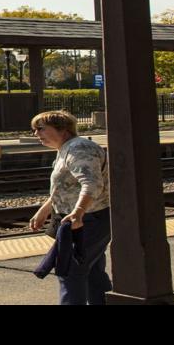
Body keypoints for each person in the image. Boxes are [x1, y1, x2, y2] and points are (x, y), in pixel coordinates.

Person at [26, 111, 111, 305]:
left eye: (40, 128)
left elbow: (91, 184)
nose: (36, 133)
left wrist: (78, 212)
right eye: (34, 129)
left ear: (62, 129)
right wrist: (45, 210)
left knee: (70, 271)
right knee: (92, 271)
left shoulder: (79, 149)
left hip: (87, 220)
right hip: (87, 218)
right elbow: (66, 186)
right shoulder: (66, 149)